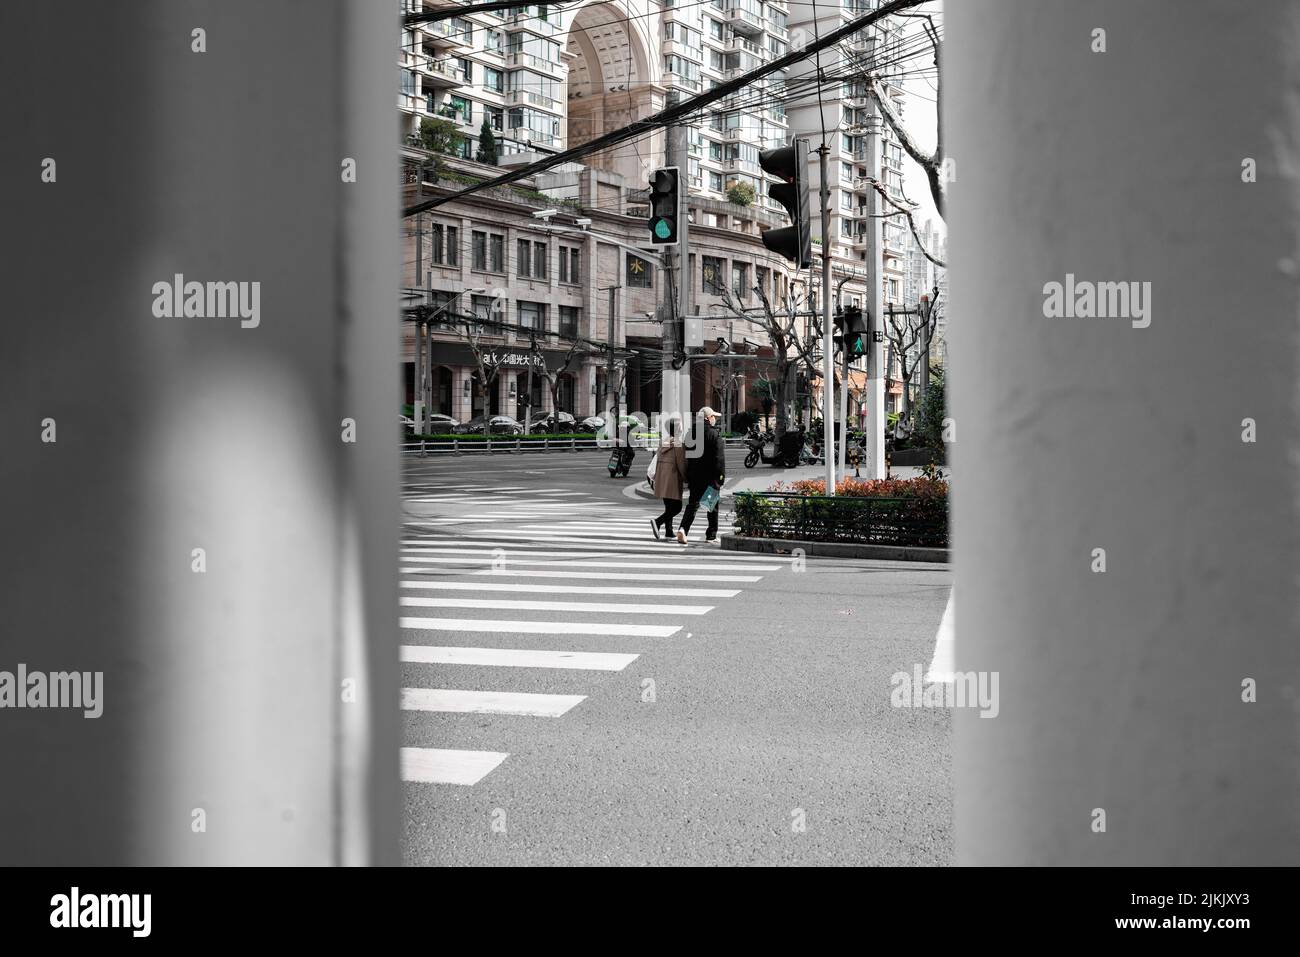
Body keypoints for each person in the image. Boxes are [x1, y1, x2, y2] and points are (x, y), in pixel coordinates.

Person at [676, 406, 726, 545]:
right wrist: (720, 477)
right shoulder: (713, 434)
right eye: (713, 417)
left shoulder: (690, 434)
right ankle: (711, 535)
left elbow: (686, 456)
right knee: (712, 505)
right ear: (708, 418)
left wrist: (688, 474)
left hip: (695, 476)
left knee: (693, 504)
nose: (714, 419)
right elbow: (719, 459)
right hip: (711, 477)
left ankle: (683, 529)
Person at [650, 416, 687, 540]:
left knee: (668, 506)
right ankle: (658, 522)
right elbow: (681, 464)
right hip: (673, 478)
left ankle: (668, 530)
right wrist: (686, 479)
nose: (682, 429)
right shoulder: (678, 444)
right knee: (677, 507)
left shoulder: (664, 441)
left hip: (662, 478)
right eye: (680, 426)